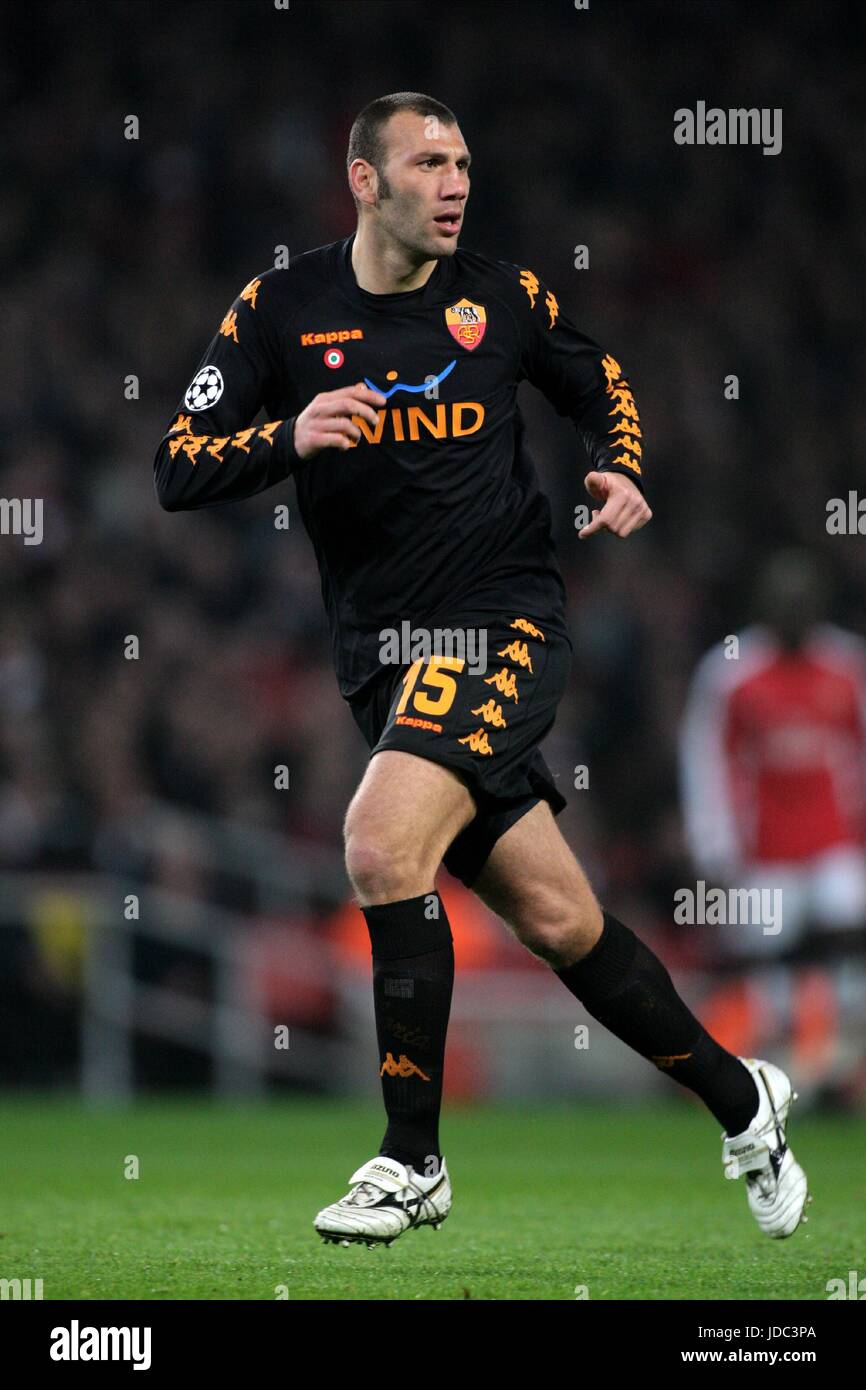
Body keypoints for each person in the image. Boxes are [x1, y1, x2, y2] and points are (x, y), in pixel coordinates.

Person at [154, 92, 808, 1246]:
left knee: (375, 843)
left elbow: (595, 374)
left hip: (500, 625)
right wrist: (286, 437)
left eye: (463, 160)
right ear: (364, 181)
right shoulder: (280, 308)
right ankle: (742, 1099)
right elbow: (178, 464)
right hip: (381, 665)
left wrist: (615, 464)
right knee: (560, 922)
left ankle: (411, 1159)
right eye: (428, 162)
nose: (455, 182)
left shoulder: (500, 299)